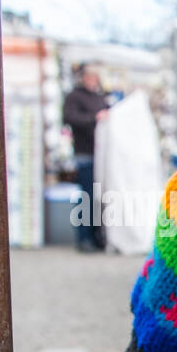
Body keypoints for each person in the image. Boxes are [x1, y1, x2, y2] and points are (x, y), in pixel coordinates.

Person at [63, 64, 110, 252]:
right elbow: (70, 118)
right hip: (84, 153)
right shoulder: (74, 97)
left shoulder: (100, 98)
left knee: (99, 197)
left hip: (101, 155)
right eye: (89, 77)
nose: (92, 81)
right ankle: (84, 237)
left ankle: (96, 236)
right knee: (86, 196)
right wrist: (94, 118)